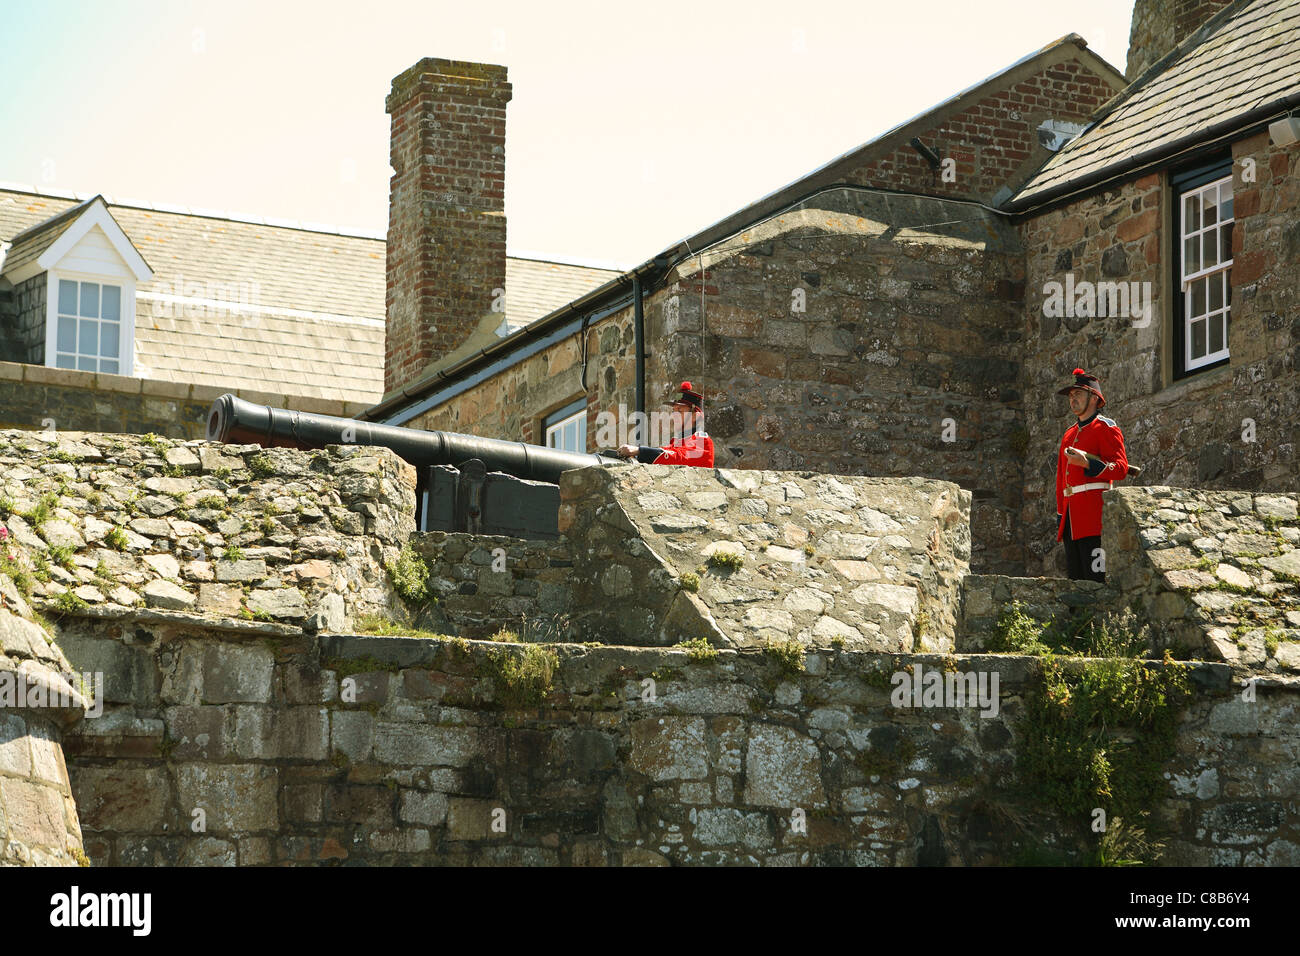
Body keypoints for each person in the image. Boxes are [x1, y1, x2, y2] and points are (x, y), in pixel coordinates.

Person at [1055, 368, 1128, 582]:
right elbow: (1061, 479)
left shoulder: (1106, 427)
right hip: (1071, 518)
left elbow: (1121, 467)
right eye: (1071, 395)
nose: (1072, 398)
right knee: (1075, 581)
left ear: (1094, 398)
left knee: (1096, 579)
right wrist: (1061, 516)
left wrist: (1087, 464)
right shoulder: (1069, 433)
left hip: (1094, 517)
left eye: (1078, 393)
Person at [617, 381, 715, 467]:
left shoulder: (703, 441)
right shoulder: (677, 442)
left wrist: (639, 450)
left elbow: (677, 457)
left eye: (679, 411)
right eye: (674, 411)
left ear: (695, 416)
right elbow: (664, 451)